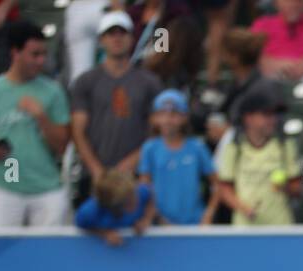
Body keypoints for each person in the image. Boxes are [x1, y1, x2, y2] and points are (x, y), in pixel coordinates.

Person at [0, 20, 71, 227]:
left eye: (44, 54)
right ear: (15, 53)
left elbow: (61, 146)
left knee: (48, 257)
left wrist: (42, 117)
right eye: (35, 54)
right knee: (0, 254)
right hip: (3, 187)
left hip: (47, 189)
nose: (41, 61)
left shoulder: (53, 92)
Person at [70, 10, 162, 208]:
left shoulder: (149, 82)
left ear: (131, 38)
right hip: (94, 176)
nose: (117, 38)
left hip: (136, 175)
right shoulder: (85, 81)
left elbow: (156, 130)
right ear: (101, 40)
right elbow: (78, 131)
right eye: (111, 33)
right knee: (94, 231)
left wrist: (130, 164)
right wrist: (97, 170)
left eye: (123, 33)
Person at [216, 91, 302, 225]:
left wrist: (285, 187)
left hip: (281, 227)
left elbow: (298, 188)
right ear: (248, 118)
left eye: (274, 115)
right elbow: (224, 188)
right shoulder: (233, 146)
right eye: (266, 114)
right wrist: (244, 209)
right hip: (244, 229)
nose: (273, 120)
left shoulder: (285, 145)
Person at [138, 88, 217, 225]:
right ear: (154, 118)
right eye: (162, 114)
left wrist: (208, 215)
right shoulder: (149, 148)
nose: (167, 120)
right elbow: (144, 188)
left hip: (194, 224)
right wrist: (157, 218)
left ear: (184, 118)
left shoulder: (197, 147)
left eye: (174, 114)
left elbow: (216, 184)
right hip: (159, 226)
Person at [74, 166, 154, 242]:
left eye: (133, 195)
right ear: (111, 205)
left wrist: (146, 219)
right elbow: (82, 227)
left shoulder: (140, 192)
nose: (136, 201)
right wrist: (104, 233)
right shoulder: (89, 212)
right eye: (128, 202)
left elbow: (152, 196)